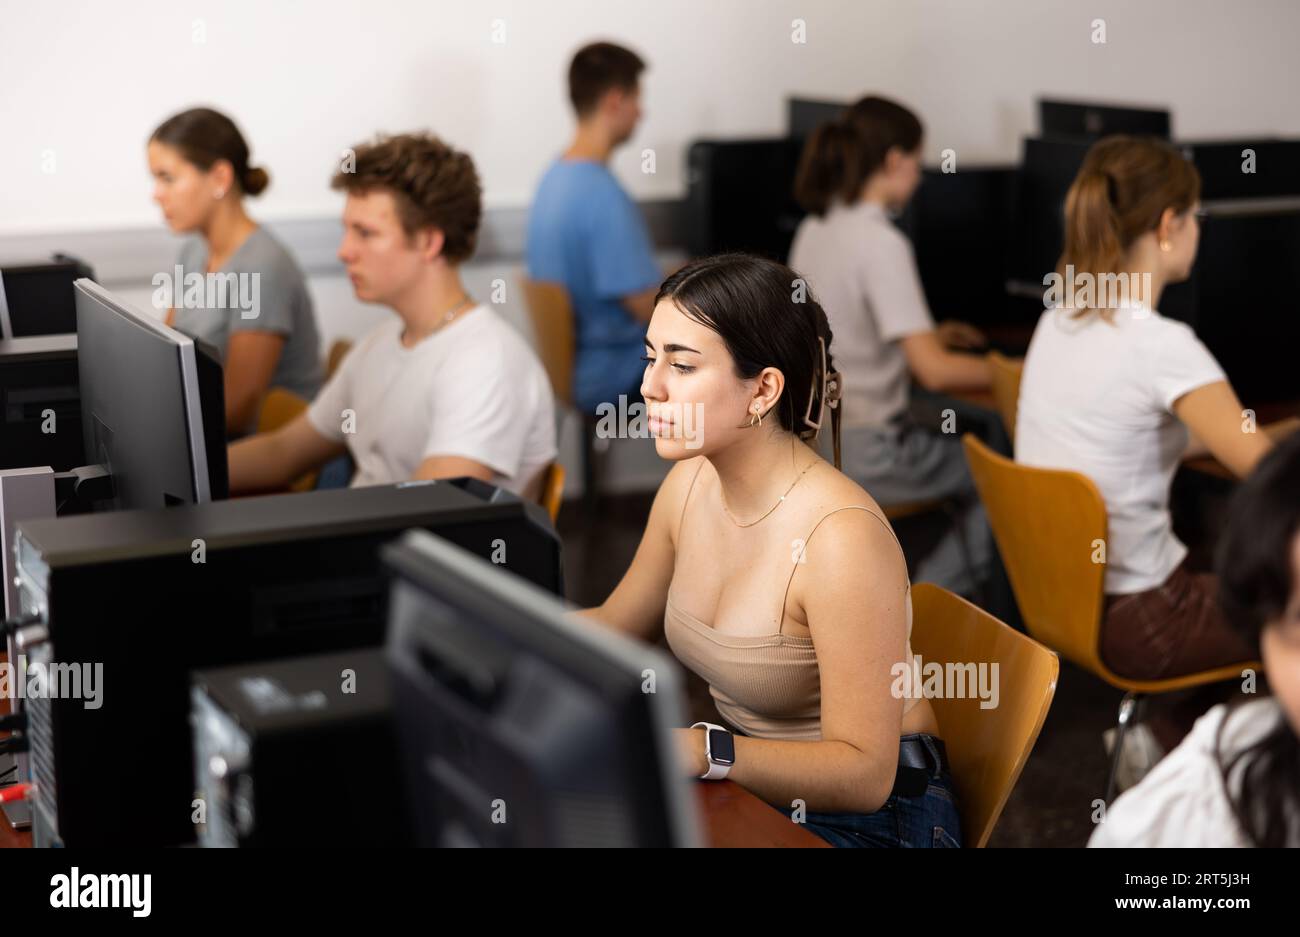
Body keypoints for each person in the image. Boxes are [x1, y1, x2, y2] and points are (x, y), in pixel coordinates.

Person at [580, 253, 960, 848]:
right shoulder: (688, 483)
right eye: (650, 358)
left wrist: (708, 750)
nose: (649, 388)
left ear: (762, 389)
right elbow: (614, 624)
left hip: (879, 818)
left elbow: (864, 775)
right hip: (758, 784)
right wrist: (493, 634)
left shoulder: (841, 538)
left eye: (680, 365)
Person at [1017, 135, 1292, 760]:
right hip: (1148, 623)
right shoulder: (1162, 344)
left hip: (1069, 600)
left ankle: (1162, 741)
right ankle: (1196, 759)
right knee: (1284, 606)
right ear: (1169, 225)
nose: (1198, 229)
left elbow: (1208, 437)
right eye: (1196, 216)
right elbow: (1268, 472)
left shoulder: (1061, 314)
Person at [228, 133, 556, 498]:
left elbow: (429, 513)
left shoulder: (485, 363)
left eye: (365, 233)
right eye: (347, 230)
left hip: (413, 549)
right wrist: (188, 479)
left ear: (429, 242)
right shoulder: (380, 343)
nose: (343, 251)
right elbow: (283, 453)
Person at [788, 95, 993, 596]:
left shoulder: (815, 227)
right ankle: (930, 603)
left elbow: (845, 327)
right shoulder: (882, 243)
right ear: (894, 161)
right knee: (1002, 480)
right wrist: (1020, 369)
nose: (920, 178)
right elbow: (937, 374)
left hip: (815, 444)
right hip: (870, 452)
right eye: (918, 163)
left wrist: (925, 335)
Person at [1090, 430, 1300, 847]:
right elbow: (1252, 457)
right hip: (1144, 622)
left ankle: (1156, 733)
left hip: (1087, 604)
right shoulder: (1212, 802)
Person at [149, 106, 322, 434]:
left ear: (220, 178)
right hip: (212, 440)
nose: (156, 194)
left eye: (167, 178)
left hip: (269, 459)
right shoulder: (194, 250)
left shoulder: (262, 266)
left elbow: (235, 411)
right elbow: (166, 357)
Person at [526, 41, 662, 417]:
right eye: (637, 99)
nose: (642, 112)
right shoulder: (602, 194)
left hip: (580, 370)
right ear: (615, 101)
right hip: (615, 376)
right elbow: (644, 307)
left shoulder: (553, 179)